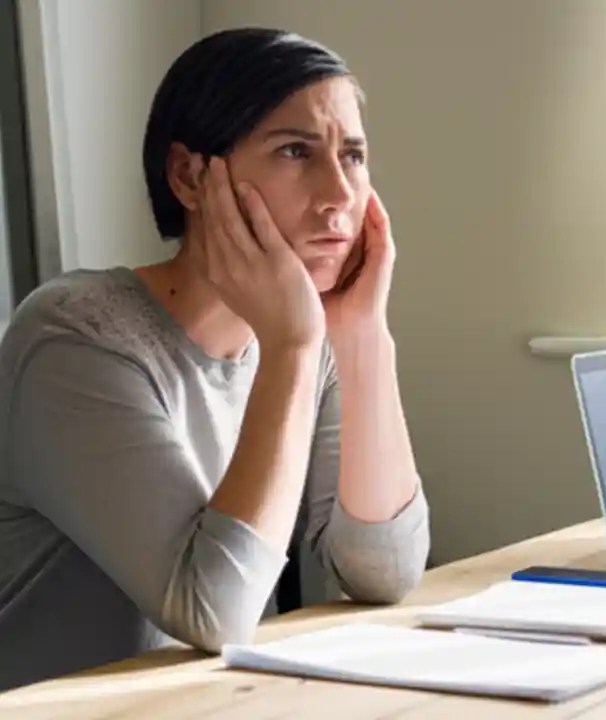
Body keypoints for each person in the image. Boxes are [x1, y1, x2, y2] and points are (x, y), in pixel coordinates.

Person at [0, 28, 430, 690]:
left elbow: (382, 571)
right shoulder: (75, 338)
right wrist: (292, 345)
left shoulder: (302, 332)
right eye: (296, 151)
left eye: (353, 155)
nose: (340, 193)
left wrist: (363, 334)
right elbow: (214, 611)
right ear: (190, 176)